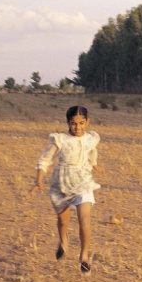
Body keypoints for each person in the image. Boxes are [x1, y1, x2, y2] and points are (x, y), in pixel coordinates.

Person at [30, 105, 103, 273]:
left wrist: (95, 165)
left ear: (88, 122)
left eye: (82, 123)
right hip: (62, 184)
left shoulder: (91, 138)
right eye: (73, 123)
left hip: (83, 182)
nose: (78, 127)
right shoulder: (60, 140)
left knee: (84, 219)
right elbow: (45, 160)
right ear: (68, 123)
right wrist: (38, 182)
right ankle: (63, 241)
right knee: (63, 221)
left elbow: (92, 152)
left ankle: (84, 256)